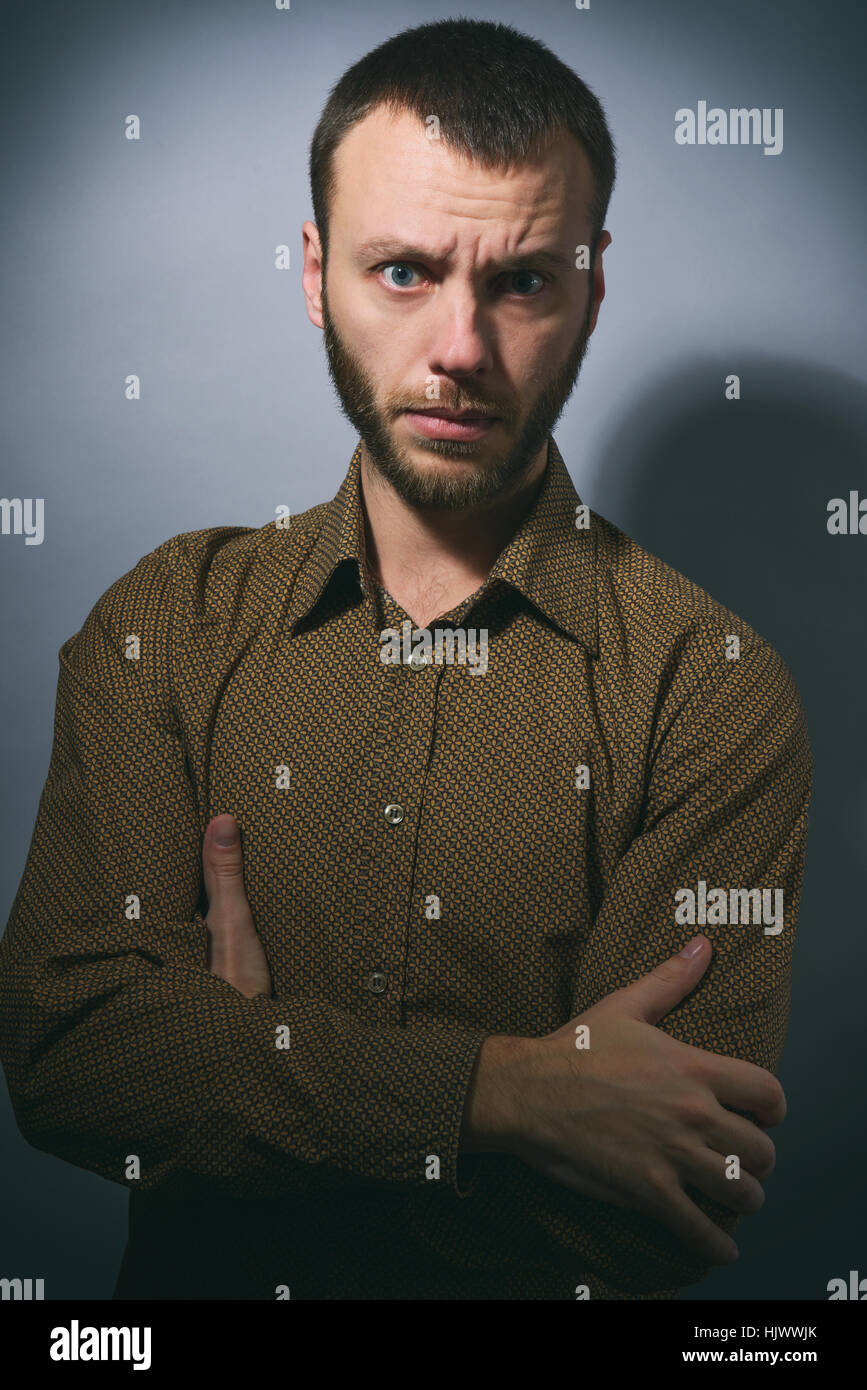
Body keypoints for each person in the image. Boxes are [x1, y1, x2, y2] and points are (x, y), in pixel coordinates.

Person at [0, 18, 811, 1300]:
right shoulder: (164, 623)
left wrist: (245, 1081)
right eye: (403, 272)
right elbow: (73, 1061)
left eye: (525, 281)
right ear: (314, 271)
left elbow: (649, 1214)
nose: (461, 351)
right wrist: (509, 1093)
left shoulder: (711, 688)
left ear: (594, 286)